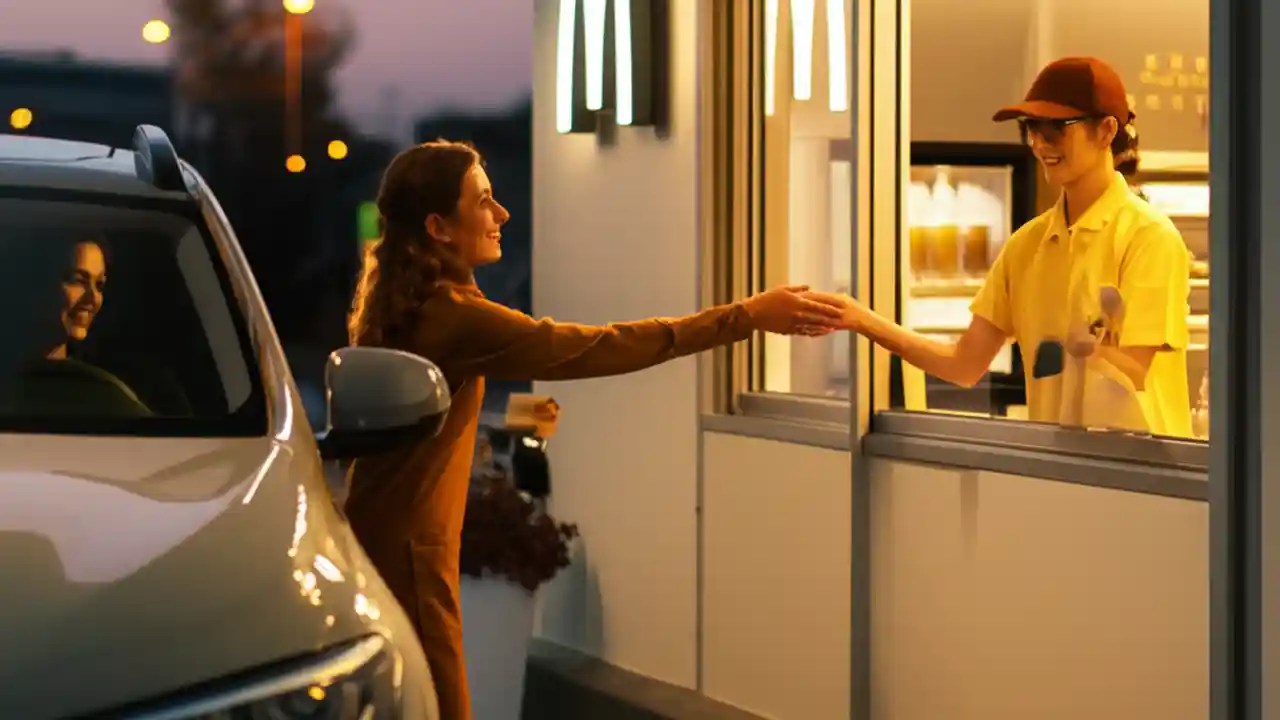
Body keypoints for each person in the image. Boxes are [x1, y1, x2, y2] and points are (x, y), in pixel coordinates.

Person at [343, 140, 845, 719]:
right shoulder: (454, 317)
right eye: (483, 201)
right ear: (439, 227)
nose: (501, 214)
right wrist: (744, 317)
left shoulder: (415, 305)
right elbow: (590, 349)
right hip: (410, 555)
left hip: (384, 541)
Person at [808, 56, 1193, 437]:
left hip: (1142, 482)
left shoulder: (1149, 237)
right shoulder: (1026, 246)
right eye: (1031, 128)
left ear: (1107, 131)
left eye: (1056, 129)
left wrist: (1088, 349)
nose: (1040, 144)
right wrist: (860, 319)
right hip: (1058, 475)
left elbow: (1135, 371)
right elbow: (964, 364)